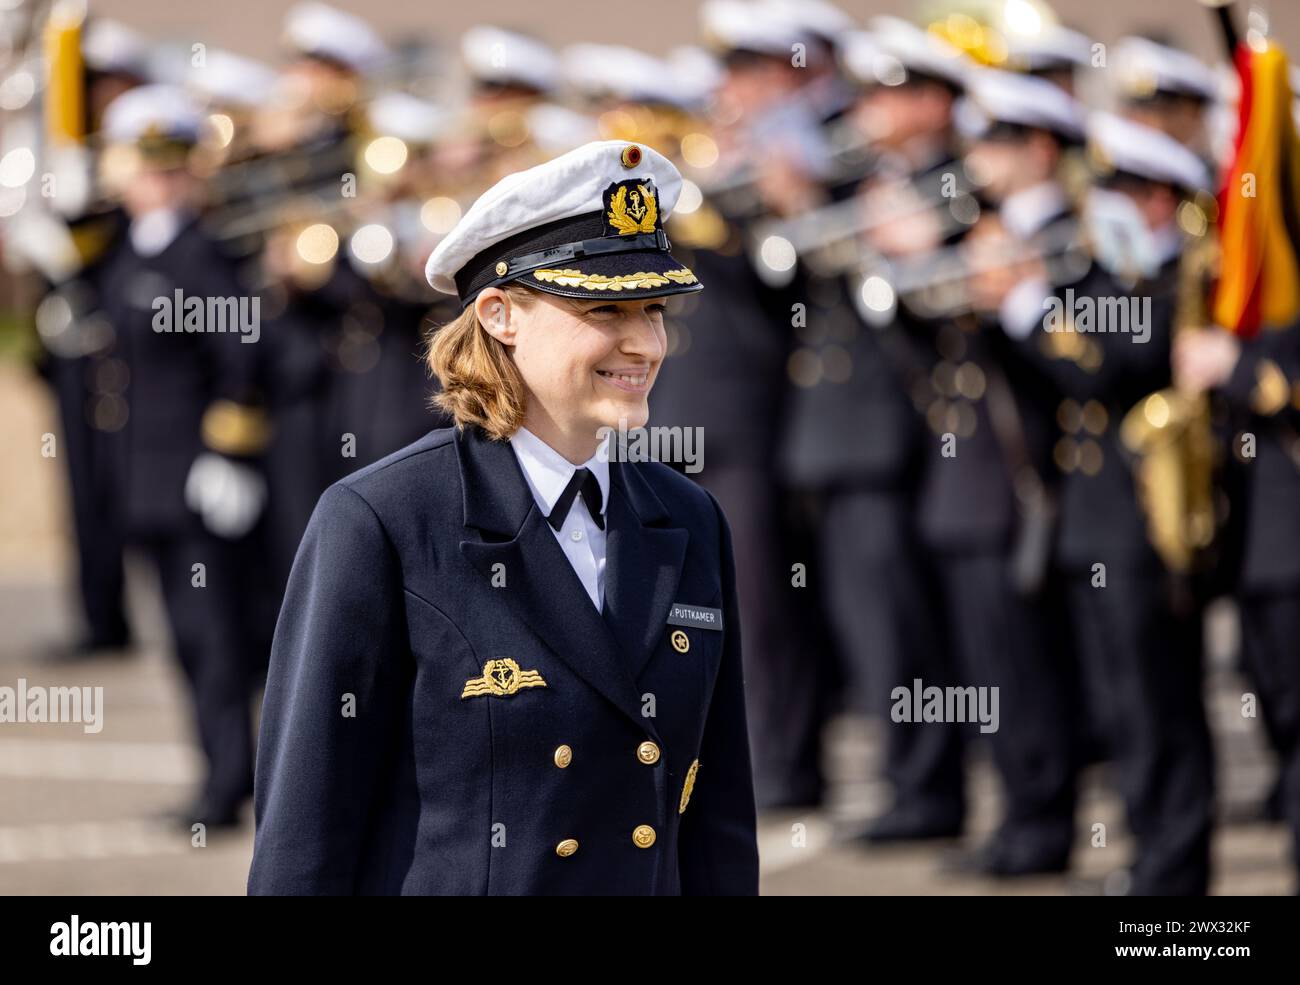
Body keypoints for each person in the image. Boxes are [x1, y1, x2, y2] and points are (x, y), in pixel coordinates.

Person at [249, 140, 760, 895]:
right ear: (499, 314)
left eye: (654, 309)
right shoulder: (382, 520)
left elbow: (717, 822)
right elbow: (306, 837)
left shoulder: (689, 516)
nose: (644, 342)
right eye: (604, 309)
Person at [95, 85, 271, 827]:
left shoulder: (201, 253)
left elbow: (244, 354)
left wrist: (226, 451)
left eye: (171, 170)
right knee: (184, 641)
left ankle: (229, 782)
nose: (158, 182)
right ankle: (219, 771)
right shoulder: (124, 248)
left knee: (215, 638)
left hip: (198, 480)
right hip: (148, 480)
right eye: (147, 167)